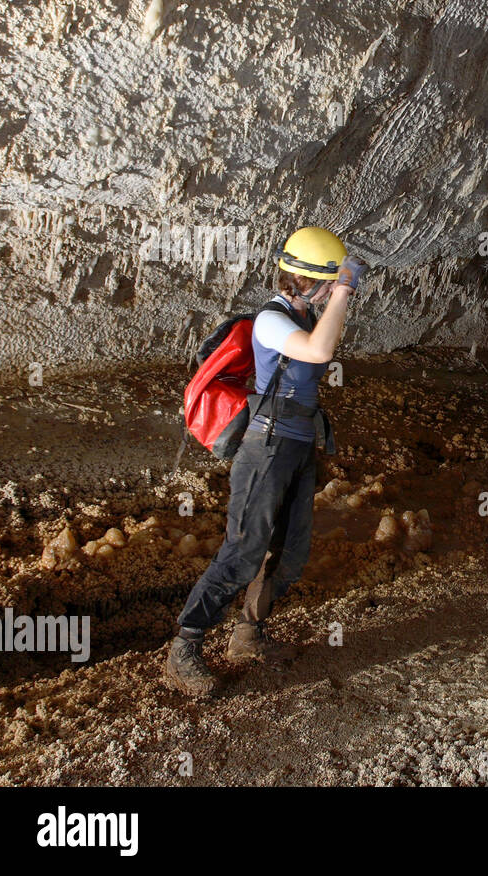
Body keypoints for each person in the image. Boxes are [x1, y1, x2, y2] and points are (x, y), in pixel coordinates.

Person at [163, 226, 367, 697]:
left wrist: (334, 296)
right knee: (243, 551)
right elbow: (320, 351)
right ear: (314, 280)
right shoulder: (269, 321)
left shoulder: (304, 315)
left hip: (297, 447)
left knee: (288, 553)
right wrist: (347, 289)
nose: (336, 289)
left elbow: (317, 348)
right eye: (331, 281)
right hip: (266, 446)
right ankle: (185, 647)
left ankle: (248, 635)